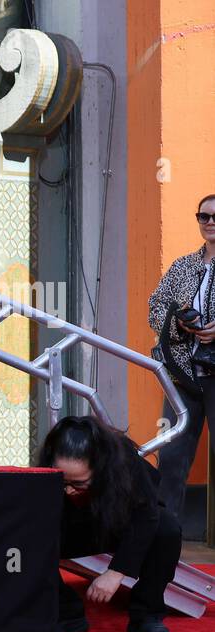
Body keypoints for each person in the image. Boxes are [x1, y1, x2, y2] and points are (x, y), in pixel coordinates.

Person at [40, 416, 181, 632]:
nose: (69, 490)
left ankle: (147, 614)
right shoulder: (47, 463)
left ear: (100, 466)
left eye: (78, 483)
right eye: (62, 482)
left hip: (118, 523)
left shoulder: (121, 457)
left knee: (167, 530)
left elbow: (146, 514)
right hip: (72, 526)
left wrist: (116, 572)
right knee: (26, 536)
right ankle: (66, 610)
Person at [150, 193, 215, 519]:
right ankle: (163, 542)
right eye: (204, 217)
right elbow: (156, 307)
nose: (210, 222)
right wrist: (178, 321)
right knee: (172, 457)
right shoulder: (183, 266)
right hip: (183, 374)